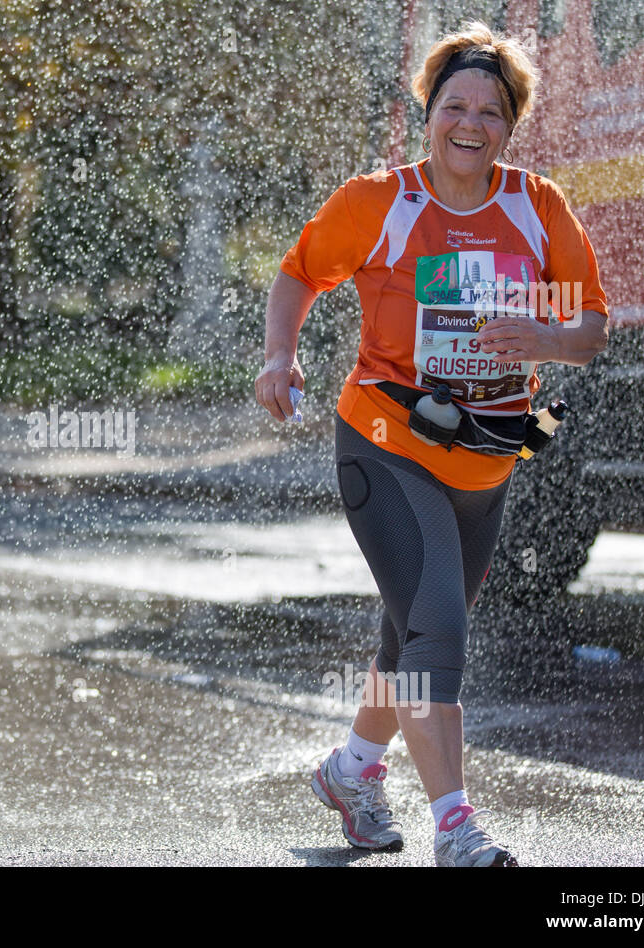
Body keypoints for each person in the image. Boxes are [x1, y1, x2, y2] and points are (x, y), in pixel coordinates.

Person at [254, 21, 609, 866]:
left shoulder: (538, 206)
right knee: (440, 626)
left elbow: (591, 326)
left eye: (491, 110)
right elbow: (300, 271)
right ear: (429, 113)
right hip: (384, 437)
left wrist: (544, 338)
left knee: (407, 635)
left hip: (488, 458)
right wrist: (279, 353)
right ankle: (457, 826)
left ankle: (351, 770)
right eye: (455, 104)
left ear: (510, 126)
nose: (471, 124)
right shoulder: (380, 202)